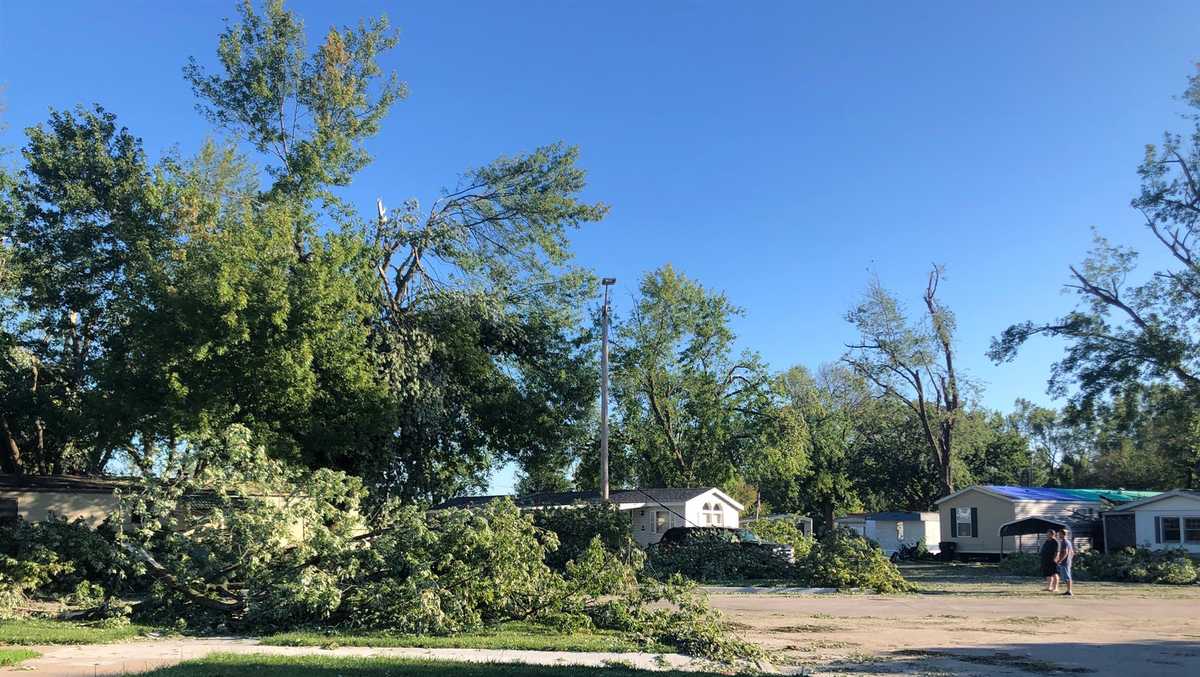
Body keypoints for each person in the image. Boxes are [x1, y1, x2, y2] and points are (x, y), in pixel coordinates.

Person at [1057, 528, 1074, 597]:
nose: (1058, 535)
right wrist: (1070, 559)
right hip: (1068, 562)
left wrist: (1060, 560)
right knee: (1067, 577)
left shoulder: (1064, 542)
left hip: (1065, 562)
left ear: (1063, 534)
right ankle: (1068, 590)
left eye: (1059, 534)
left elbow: (1065, 552)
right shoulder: (1068, 542)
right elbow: (1072, 552)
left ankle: (1069, 591)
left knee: (1067, 577)